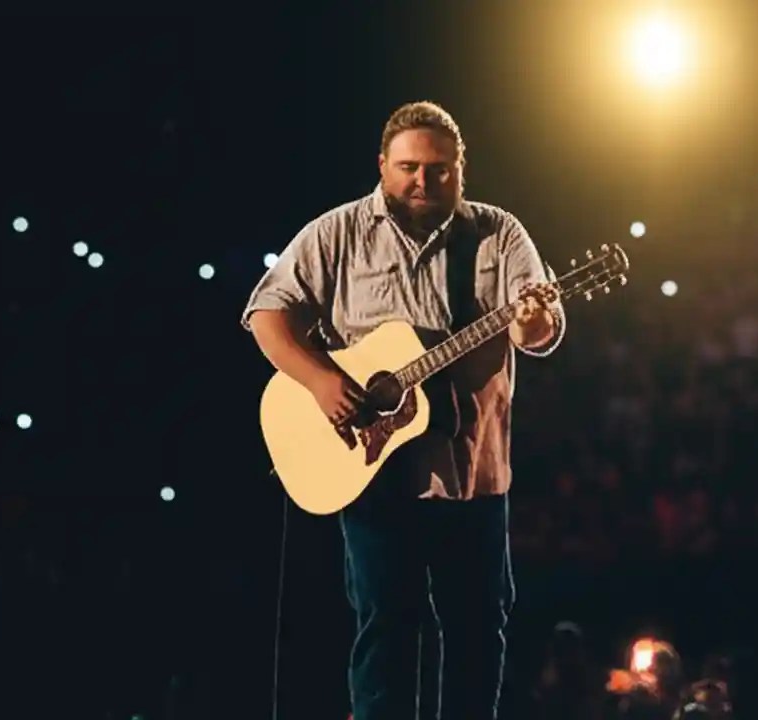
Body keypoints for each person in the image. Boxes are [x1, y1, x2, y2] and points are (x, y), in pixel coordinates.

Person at [241, 100, 566, 720]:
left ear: (460, 168)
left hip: (472, 471)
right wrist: (320, 382)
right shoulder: (335, 232)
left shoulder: (499, 233)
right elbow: (267, 315)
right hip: (371, 471)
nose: (424, 181)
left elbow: (539, 332)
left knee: (478, 628)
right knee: (386, 624)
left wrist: (532, 319)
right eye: (410, 167)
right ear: (383, 166)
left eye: (439, 169)